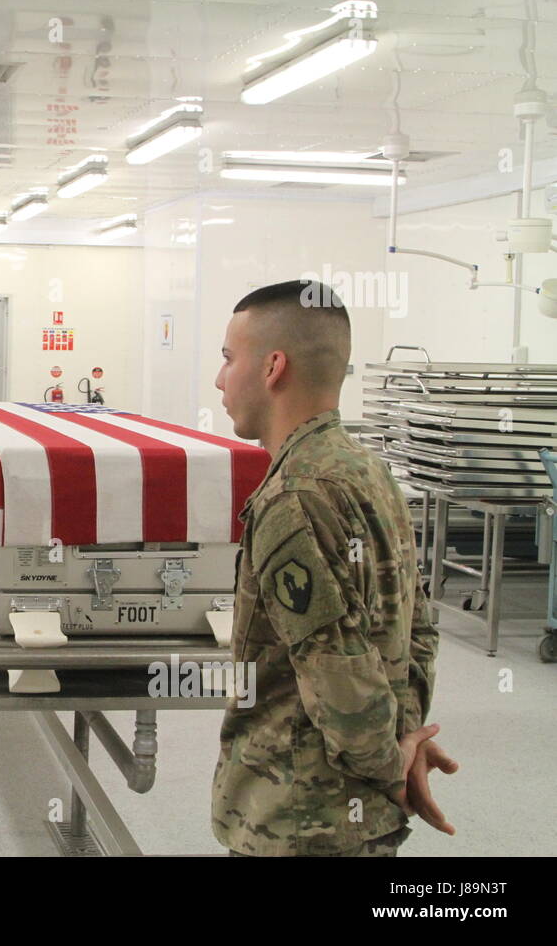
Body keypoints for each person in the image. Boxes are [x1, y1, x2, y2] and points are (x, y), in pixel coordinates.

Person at [211, 279, 457, 856]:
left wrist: (392, 762)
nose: (219, 379)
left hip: (301, 821)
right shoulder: (368, 472)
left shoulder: (294, 496)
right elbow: (416, 628)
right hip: (357, 816)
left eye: (228, 358)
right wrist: (405, 741)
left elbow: (337, 670)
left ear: (273, 367)